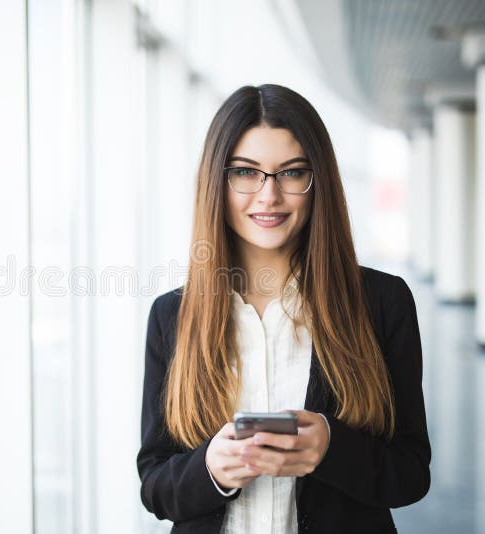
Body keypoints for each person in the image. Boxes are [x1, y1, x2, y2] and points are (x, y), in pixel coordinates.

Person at [136, 84, 431, 534]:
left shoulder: (382, 303)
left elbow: (410, 474)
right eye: (245, 172)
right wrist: (210, 471)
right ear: (218, 181)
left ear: (319, 184)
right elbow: (155, 483)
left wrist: (330, 450)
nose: (268, 196)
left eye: (291, 173)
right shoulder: (172, 316)